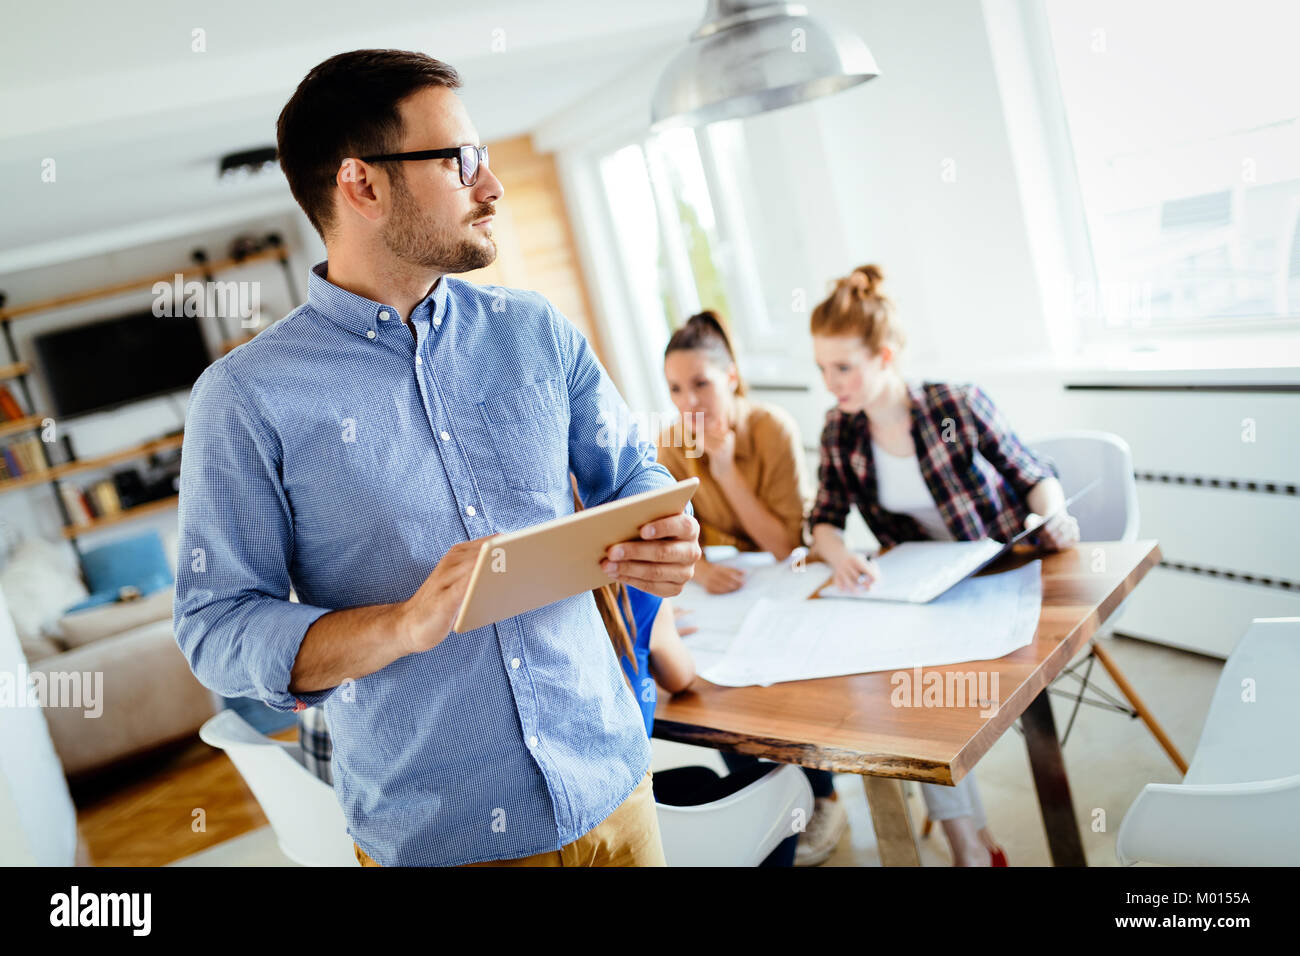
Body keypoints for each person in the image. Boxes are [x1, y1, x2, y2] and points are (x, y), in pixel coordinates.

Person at [174, 49, 701, 868]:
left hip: (616, 790)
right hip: (442, 842)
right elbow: (216, 628)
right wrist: (402, 625)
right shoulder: (245, 399)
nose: (489, 186)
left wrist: (663, 525)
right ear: (363, 185)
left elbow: (635, 474)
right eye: (461, 161)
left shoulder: (535, 330)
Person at [807, 264, 1079, 866]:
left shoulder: (954, 405)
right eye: (823, 369)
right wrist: (840, 553)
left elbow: (1034, 477)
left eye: (843, 367)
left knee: (922, 688)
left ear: (884, 356)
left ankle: (972, 847)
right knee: (907, 683)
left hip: (1000, 574)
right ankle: (970, 846)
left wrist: (1050, 517)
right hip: (926, 590)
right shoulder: (839, 431)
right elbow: (822, 518)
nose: (832, 384)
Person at [656, 310, 848, 866]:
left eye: (700, 383)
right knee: (713, 681)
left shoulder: (772, 428)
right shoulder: (671, 442)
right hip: (726, 591)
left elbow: (785, 543)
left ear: (732, 376)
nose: (688, 401)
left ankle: (823, 795)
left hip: (786, 580)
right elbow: (672, 535)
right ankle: (765, 792)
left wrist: (726, 469)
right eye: (673, 388)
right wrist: (697, 566)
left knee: (783, 677)